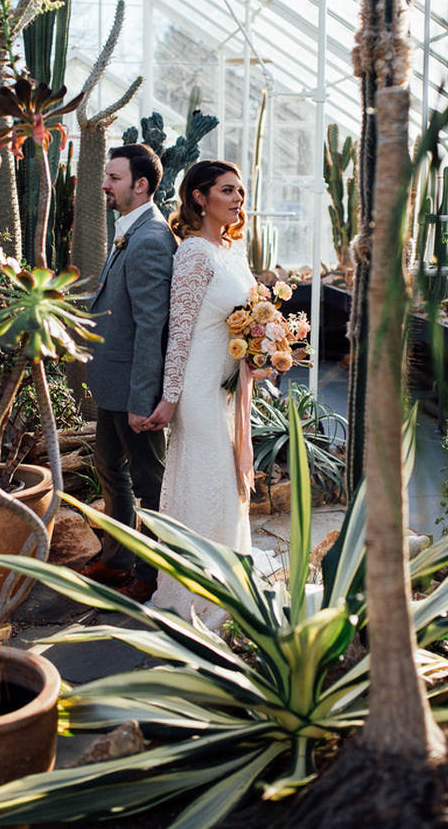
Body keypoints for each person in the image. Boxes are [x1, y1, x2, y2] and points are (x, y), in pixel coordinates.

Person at [144, 159, 256, 627]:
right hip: (196, 389)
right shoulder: (192, 254)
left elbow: (250, 315)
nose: (237, 199)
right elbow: (180, 334)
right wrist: (169, 398)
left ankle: (227, 580)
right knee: (208, 484)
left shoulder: (232, 249)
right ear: (199, 196)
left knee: (227, 486)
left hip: (228, 389)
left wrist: (263, 348)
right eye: (227, 190)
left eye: (239, 192)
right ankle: (195, 595)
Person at [84, 143, 177, 604]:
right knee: (108, 468)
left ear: (140, 185)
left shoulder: (149, 240)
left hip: (131, 390)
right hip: (112, 385)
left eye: (114, 177)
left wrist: (143, 399)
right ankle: (118, 558)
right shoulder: (130, 230)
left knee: (149, 482)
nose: (105, 184)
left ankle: (150, 572)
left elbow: (151, 325)